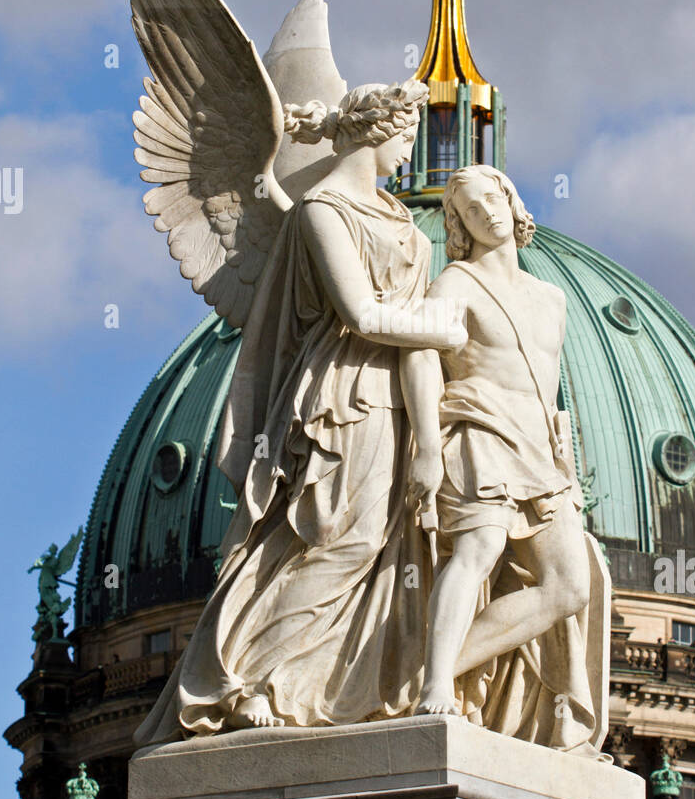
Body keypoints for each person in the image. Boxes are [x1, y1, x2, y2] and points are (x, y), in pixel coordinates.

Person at [134, 80, 464, 743]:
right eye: (405, 136)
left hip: (398, 393)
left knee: (376, 548)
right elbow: (360, 313)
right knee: (333, 540)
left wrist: (429, 440)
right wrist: (447, 329)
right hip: (342, 396)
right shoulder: (322, 210)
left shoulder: (397, 218)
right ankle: (246, 673)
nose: (410, 151)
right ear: (377, 131)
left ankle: (324, 684)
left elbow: (405, 334)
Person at [403, 165, 604, 750]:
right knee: (477, 549)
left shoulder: (553, 297)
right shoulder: (455, 285)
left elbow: (549, 384)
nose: (487, 211)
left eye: (494, 197)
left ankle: (435, 669)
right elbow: (420, 357)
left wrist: (563, 457)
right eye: (470, 208)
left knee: (571, 586)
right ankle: (436, 682)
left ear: (514, 203)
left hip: (540, 448)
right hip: (480, 427)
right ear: (458, 226)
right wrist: (423, 448)